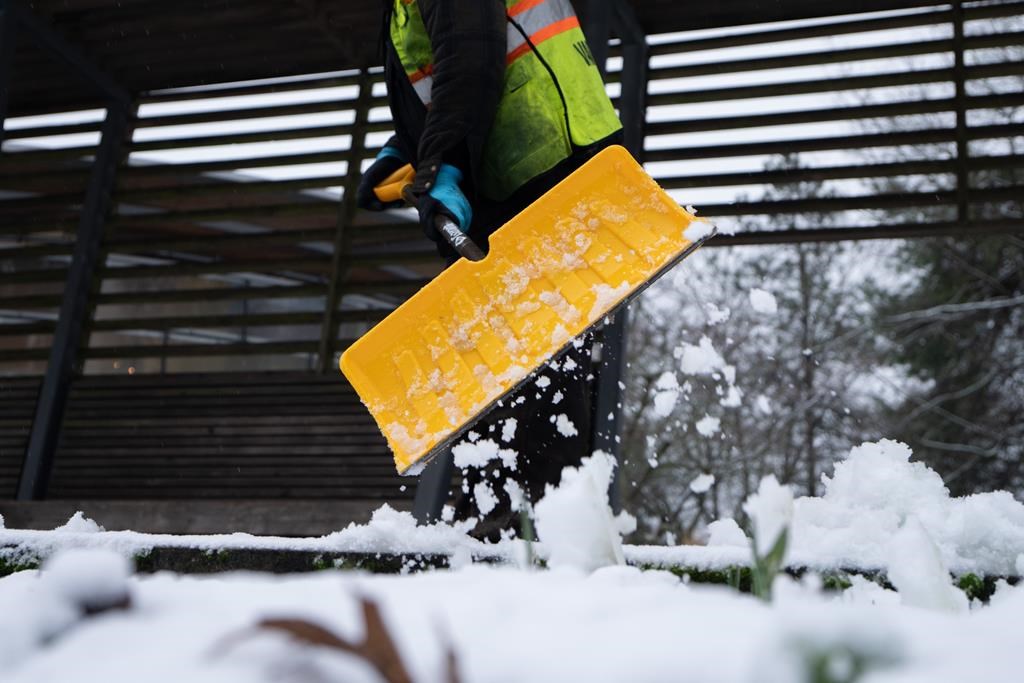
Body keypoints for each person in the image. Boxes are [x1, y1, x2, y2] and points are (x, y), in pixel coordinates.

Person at [356, 0, 622, 539]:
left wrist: (441, 162)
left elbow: (472, 60)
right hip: (539, 156)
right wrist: (407, 145)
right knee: (522, 352)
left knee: (524, 355)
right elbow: (459, 60)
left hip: (534, 159)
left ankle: (525, 524)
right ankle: (515, 515)